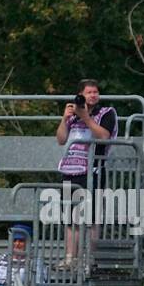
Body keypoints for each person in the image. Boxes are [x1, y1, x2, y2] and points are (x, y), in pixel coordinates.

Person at [54, 79, 117, 271]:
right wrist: (65, 119)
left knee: (90, 219)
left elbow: (104, 136)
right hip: (70, 170)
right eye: (88, 92)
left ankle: (89, 260)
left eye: (95, 92)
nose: (93, 96)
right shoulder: (73, 116)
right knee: (70, 219)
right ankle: (70, 259)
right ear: (81, 94)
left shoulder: (106, 113)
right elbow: (61, 139)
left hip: (93, 171)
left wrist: (86, 117)